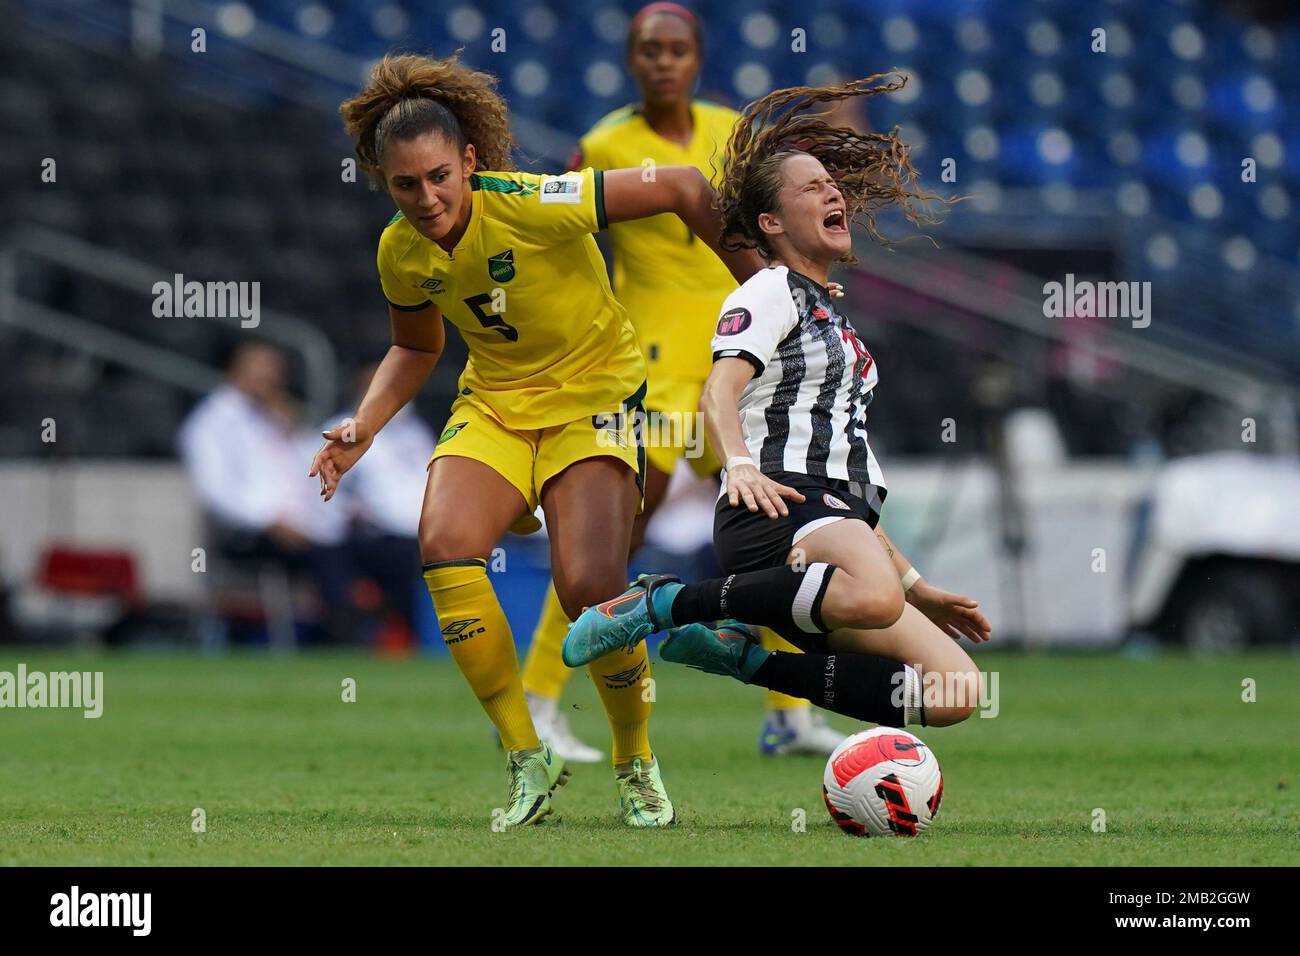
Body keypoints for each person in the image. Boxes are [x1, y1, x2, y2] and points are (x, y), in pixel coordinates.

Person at [311, 51, 773, 828]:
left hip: (594, 400)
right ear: (380, 181)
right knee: (444, 544)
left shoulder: (532, 202)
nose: (426, 198)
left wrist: (767, 295)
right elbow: (417, 348)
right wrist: (364, 423)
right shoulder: (400, 249)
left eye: (438, 177)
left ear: (468, 161)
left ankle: (635, 760)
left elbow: (688, 187)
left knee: (590, 589)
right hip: (494, 406)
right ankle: (528, 758)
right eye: (404, 184)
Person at [563, 75, 993, 732]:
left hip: (836, 529)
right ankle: (662, 604)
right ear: (770, 222)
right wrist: (736, 464)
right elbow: (719, 388)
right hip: (777, 512)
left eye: (832, 183)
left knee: (956, 690)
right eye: (810, 186)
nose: (831, 191)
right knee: (871, 595)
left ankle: (743, 659)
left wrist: (918, 587)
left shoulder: (834, 320)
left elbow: (849, 486)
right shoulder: (769, 291)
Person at [521, 1, 845, 764]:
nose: (663, 61)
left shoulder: (733, 132)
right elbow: (560, 239)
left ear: (697, 58)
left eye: (676, 49)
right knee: (610, 537)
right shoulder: (603, 143)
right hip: (651, 370)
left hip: (735, 358)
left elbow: (773, 220)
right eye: (649, 50)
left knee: (784, 533)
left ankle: (790, 712)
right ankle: (539, 702)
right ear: (631, 61)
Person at [179, 340, 353, 642]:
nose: (268, 377)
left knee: (375, 546)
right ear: (234, 369)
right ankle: (343, 641)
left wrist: (294, 428)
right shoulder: (211, 423)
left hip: (305, 525)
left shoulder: (276, 419)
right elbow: (214, 492)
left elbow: (314, 469)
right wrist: (269, 519)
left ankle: (392, 638)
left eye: (274, 370)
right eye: (259, 367)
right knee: (329, 558)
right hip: (251, 531)